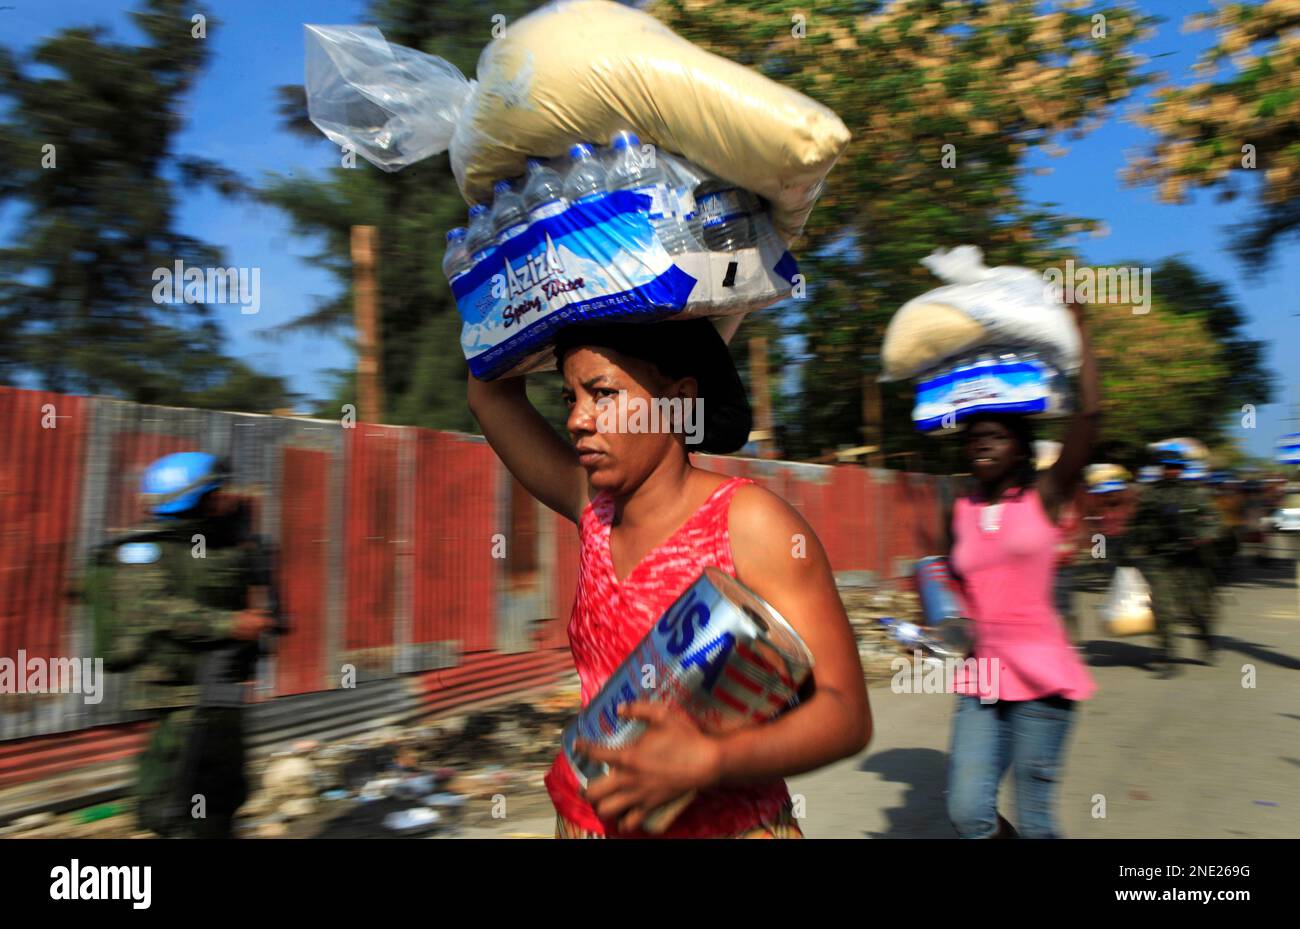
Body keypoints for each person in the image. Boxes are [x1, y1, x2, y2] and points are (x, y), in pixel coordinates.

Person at [466, 318, 871, 838]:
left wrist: (711, 760)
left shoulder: (751, 524)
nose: (577, 420)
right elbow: (489, 396)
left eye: (603, 393)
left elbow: (846, 714)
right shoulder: (591, 508)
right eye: (570, 397)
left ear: (679, 400)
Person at [942, 301, 1099, 839]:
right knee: (967, 810)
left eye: (997, 435)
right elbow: (956, 589)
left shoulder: (1046, 496)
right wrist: (937, 630)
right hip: (982, 676)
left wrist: (1081, 334)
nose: (982, 442)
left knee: (1035, 820)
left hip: (1042, 679)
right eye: (974, 436)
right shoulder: (959, 509)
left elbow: (1090, 419)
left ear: (1021, 448)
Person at [88, 452, 277, 838]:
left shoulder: (216, 545)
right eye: (219, 491)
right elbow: (155, 609)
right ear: (193, 498)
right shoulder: (143, 550)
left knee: (224, 789)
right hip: (178, 694)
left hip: (218, 689)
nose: (231, 497)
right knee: (183, 797)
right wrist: (231, 623)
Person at [1128, 452, 1222, 676]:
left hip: (1190, 559)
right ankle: (1169, 657)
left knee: (1196, 610)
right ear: (1161, 468)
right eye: (1167, 466)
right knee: (1162, 609)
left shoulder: (1194, 494)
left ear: (1182, 469)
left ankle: (1206, 641)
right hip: (1159, 559)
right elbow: (1137, 524)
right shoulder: (1149, 494)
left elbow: (1214, 519)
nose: (1171, 470)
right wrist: (1131, 551)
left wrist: (1203, 536)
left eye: (1175, 467)